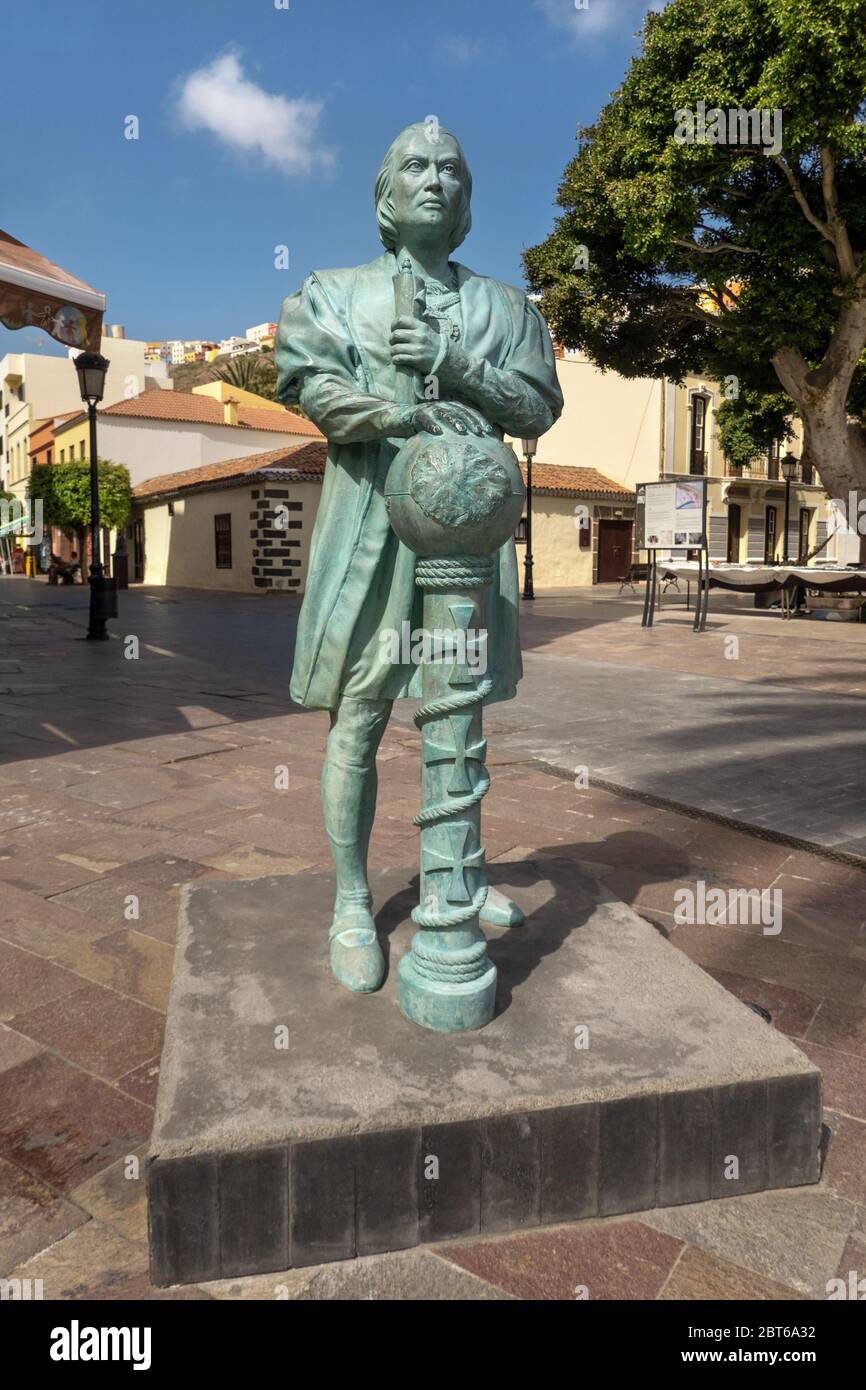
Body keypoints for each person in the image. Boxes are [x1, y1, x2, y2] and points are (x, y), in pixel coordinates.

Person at [275, 123, 563, 992]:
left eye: (450, 170)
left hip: (469, 542)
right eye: (414, 167)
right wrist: (402, 417)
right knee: (358, 717)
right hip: (370, 528)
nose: (433, 180)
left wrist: (455, 365)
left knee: (461, 713)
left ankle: (458, 877)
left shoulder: (508, 309)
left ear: (467, 199)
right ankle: (354, 900)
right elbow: (313, 387)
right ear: (384, 196)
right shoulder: (331, 292)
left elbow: (537, 407)